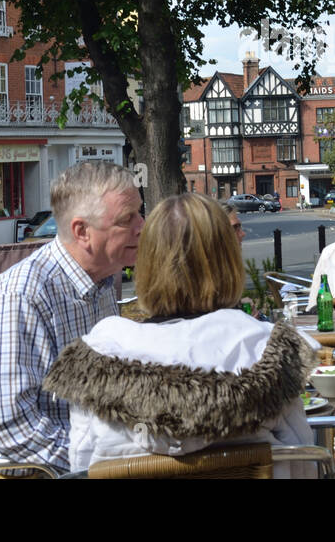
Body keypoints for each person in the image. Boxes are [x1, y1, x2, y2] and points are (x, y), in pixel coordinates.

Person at [45, 193, 316, 477]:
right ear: (228, 260)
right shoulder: (265, 348)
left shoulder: (100, 354)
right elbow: (303, 463)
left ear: (147, 263)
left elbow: (82, 465)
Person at [0, 160, 143, 473]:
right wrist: (107, 465)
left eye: (140, 212)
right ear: (82, 231)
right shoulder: (21, 294)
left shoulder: (100, 281)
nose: (142, 225)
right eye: (127, 219)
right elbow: (12, 429)